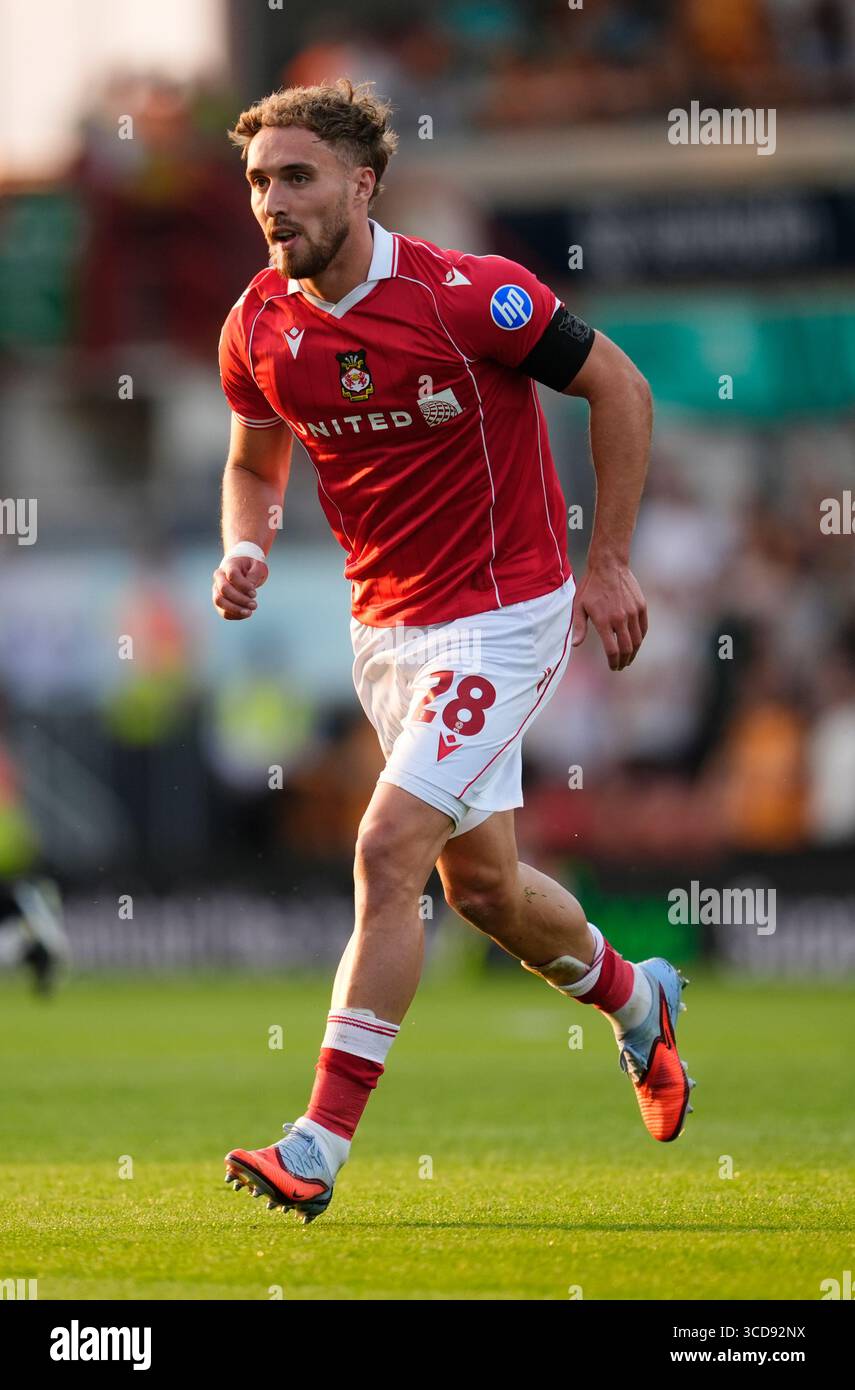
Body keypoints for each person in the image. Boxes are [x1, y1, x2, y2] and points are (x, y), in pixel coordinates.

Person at [212, 79, 693, 1224]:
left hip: (505, 609)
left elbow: (618, 388)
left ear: (361, 183)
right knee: (480, 891)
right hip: (385, 630)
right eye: (257, 184)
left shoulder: (469, 295)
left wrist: (610, 559)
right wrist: (245, 546)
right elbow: (252, 463)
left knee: (384, 847)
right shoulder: (260, 325)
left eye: (297, 178)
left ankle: (315, 1146)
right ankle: (639, 1002)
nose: (273, 204)